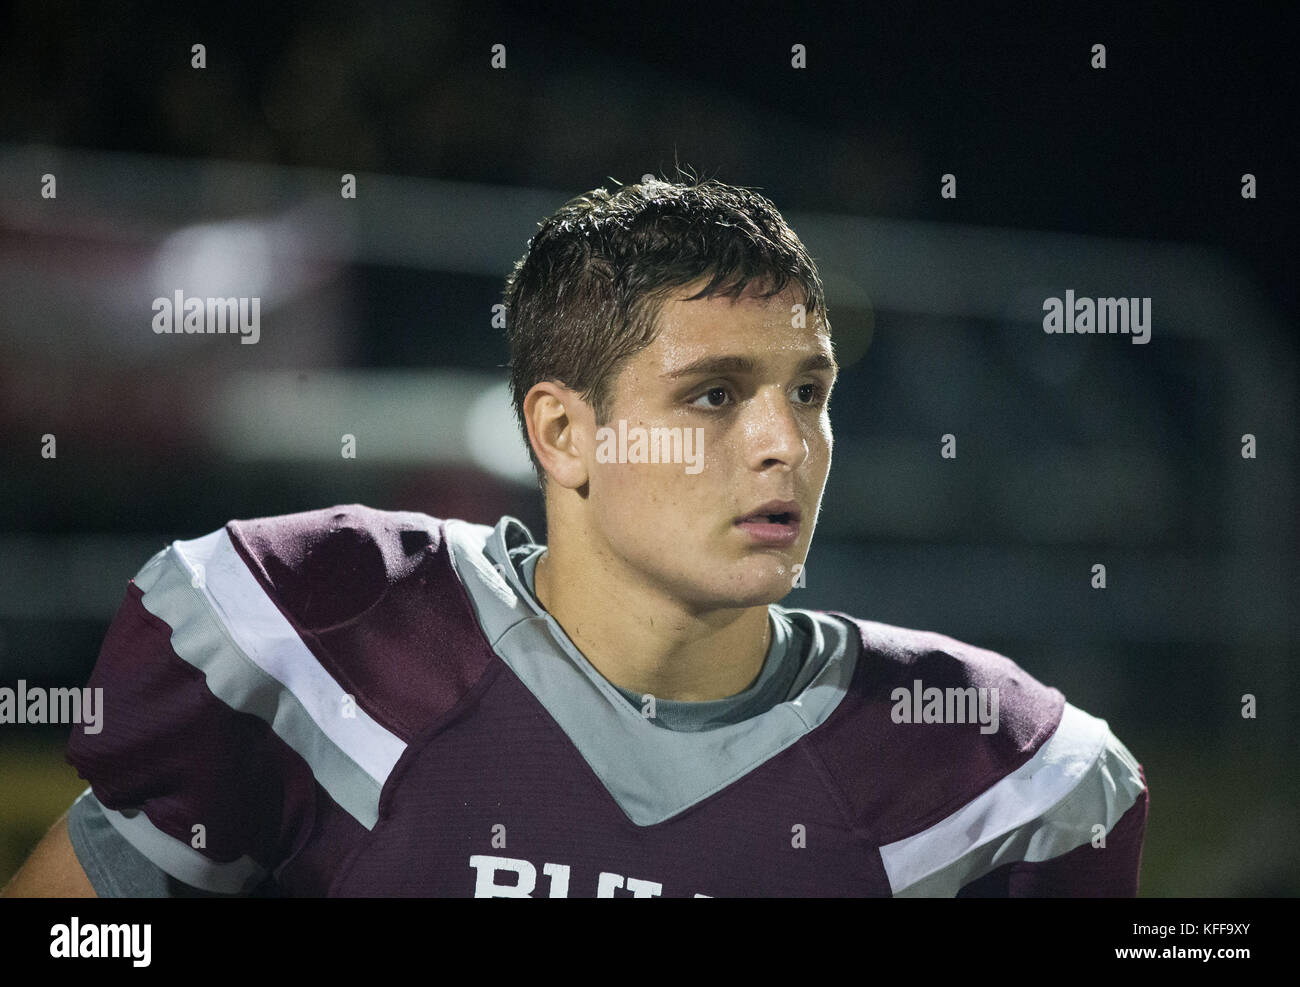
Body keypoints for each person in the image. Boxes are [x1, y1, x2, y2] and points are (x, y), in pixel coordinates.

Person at [2, 177, 1147, 897]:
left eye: (808, 392)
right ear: (563, 432)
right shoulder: (339, 636)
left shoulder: (979, 766)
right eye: (713, 395)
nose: (782, 444)